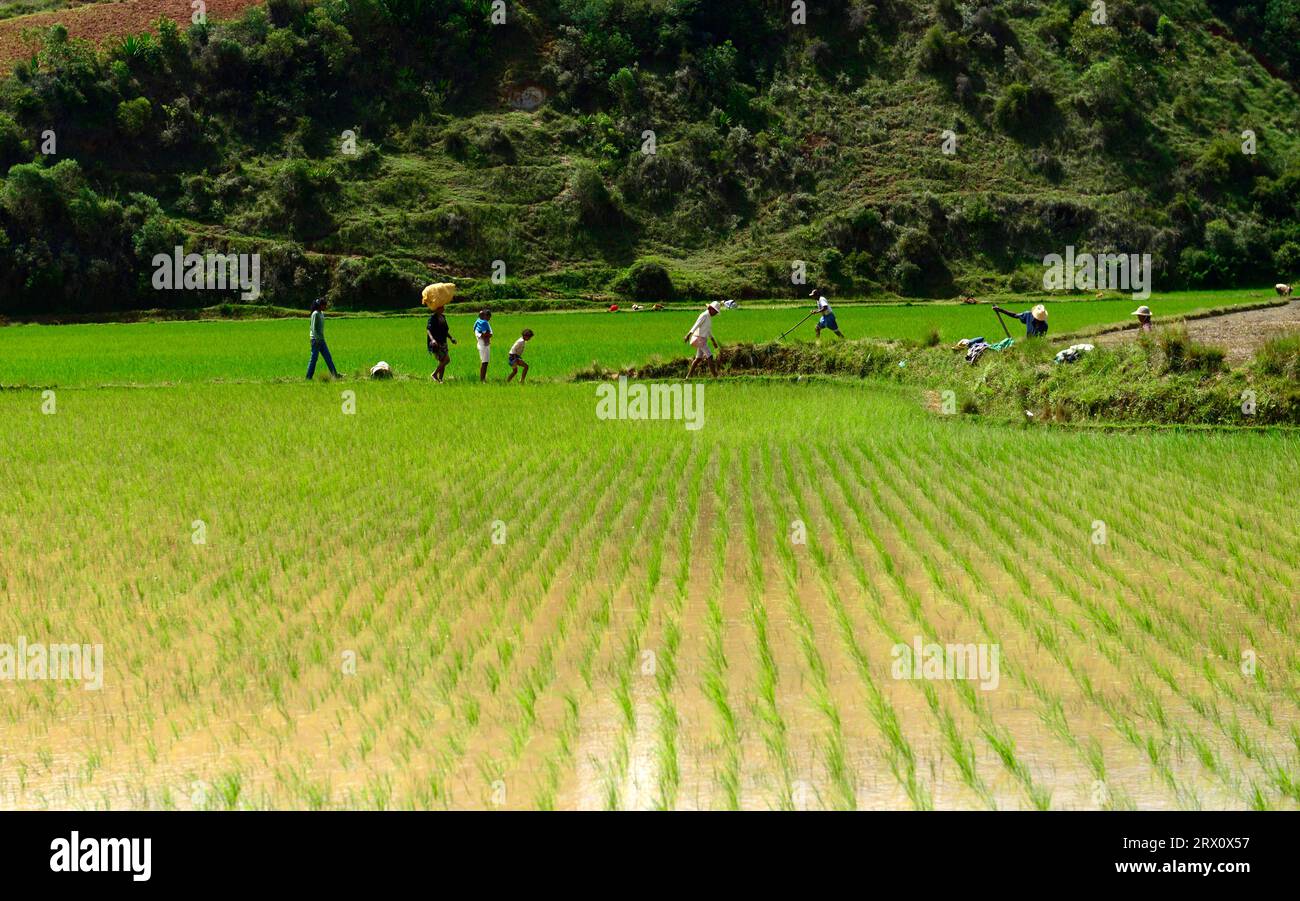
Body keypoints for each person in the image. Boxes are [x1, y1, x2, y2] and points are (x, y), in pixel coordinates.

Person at [306, 298, 340, 380]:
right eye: (324, 305)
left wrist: (321, 339)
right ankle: (308, 377)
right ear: (319, 305)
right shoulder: (315, 314)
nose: (325, 307)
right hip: (315, 340)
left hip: (321, 339)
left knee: (328, 357)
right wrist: (317, 339)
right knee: (314, 359)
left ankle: (335, 375)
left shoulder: (321, 313)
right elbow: (313, 328)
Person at [685, 301, 721, 378]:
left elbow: (708, 330)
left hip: (702, 339)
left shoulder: (708, 317)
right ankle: (715, 376)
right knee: (710, 356)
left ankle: (688, 376)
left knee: (698, 359)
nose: (715, 314)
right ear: (710, 308)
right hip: (699, 339)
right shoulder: (704, 315)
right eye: (715, 311)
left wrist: (713, 340)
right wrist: (689, 334)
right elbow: (696, 324)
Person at [427, 308, 456, 382]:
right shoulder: (432, 318)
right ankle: (434, 374)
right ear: (436, 309)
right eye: (441, 307)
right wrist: (432, 340)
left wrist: (451, 338)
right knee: (446, 360)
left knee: (442, 361)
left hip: (443, 342)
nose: (443, 308)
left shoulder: (443, 317)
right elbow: (428, 330)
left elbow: (445, 331)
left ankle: (440, 379)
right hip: (436, 343)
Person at [473, 309, 493, 382]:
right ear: (485, 316)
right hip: (483, 345)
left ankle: (483, 379)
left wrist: (488, 335)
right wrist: (487, 335)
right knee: (484, 362)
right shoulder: (480, 325)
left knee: (486, 362)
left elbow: (490, 334)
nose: (489, 319)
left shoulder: (485, 323)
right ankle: (482, 380)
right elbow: (483, 335)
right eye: (488, 317)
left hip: (486, 345)